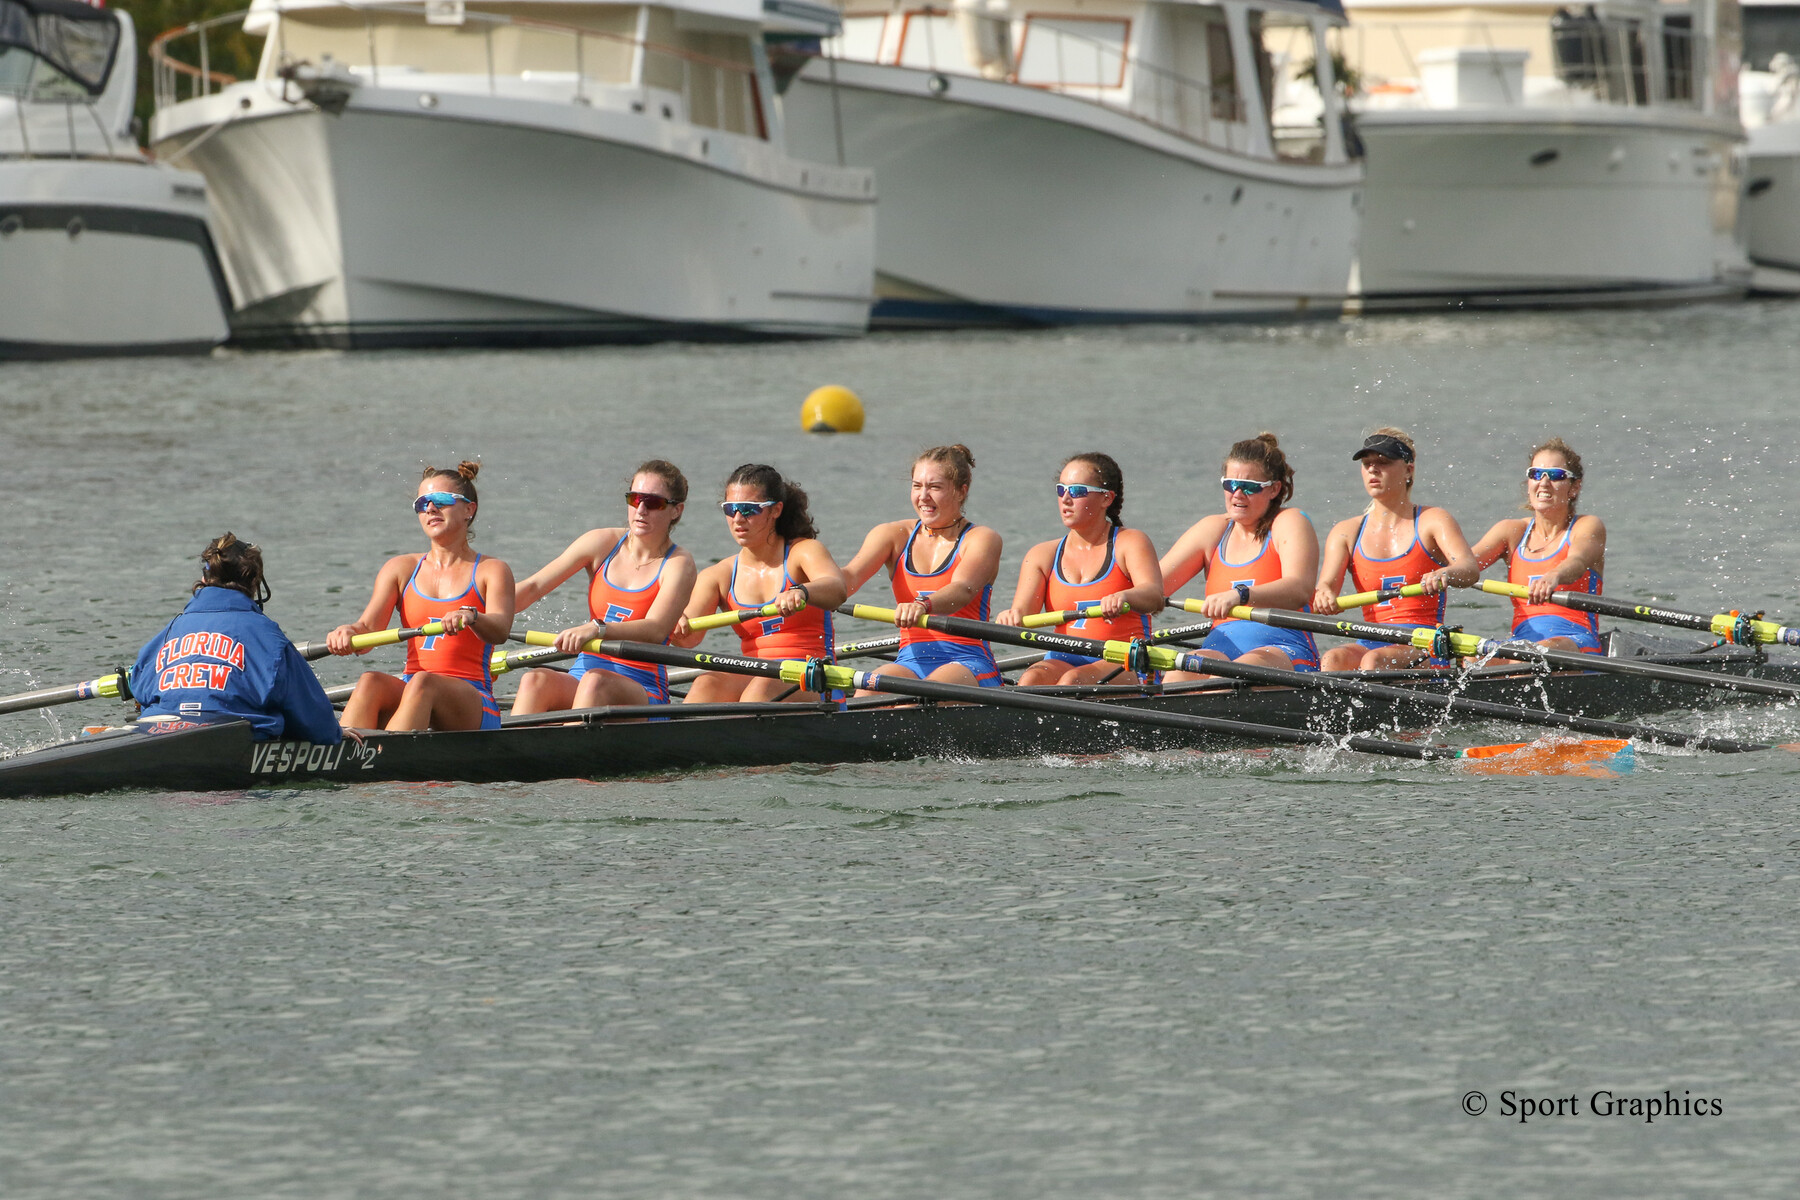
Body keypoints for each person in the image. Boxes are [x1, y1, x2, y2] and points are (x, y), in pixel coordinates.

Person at [327, 461, 516, 730]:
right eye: (422, 503)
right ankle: (343, 761)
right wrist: (347, 632)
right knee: (370, 681)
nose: (430, 508)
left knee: (423, 682)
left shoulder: (492, 570)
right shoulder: (400, 569)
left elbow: (499, 630)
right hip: (414, 687)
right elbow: (367, 632)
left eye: (440, 500)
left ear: (469, 510)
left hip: (473, 698)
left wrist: (472, 616)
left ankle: (388, 765)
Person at [510, 461, 697, 713]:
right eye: (635, 499)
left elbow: (655, 629)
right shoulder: (602, 543)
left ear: (676, 510)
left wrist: (596, 628)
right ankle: (510, 750)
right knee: (535, 680)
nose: (641, 510)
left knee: (595, 682)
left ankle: (561, 746)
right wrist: (478, 610)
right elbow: (532, 587)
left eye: (653, 503)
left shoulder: (678, 564)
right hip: (584, 675)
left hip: (642, 688)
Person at [130, 533, 341, 743]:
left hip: (156, 733)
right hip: (233, 741)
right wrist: (336, 734)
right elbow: (320, 727)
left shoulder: (169, 632)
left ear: (204, 580)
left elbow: (140, 688)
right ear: (255, 582)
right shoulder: (268, 637)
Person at [671, 464, 847, 703]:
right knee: (706, 683)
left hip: (814, 677)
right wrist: (675, 624)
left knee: (759, 690)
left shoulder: (802, 552)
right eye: (730, 509)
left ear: (775, 510)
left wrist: (802, 591)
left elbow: (837, 589)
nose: (737, 519)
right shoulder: (718, 575)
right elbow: (689, 638)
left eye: (748, 509)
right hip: (755, 673)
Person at [1313, 428, 1479, 671]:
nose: (1373, 469)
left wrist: (1446, 573)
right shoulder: (1345, 531)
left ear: (1408, 470)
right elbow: (1327, 585)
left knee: (1374, 661)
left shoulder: (1432, 520)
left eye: (1383, 462)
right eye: (1367, 463)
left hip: (1424, 642)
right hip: (1370, 638)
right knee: (1333, 659)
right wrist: (1324, 594)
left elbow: (1469, 569)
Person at [842, 444, 1004, 690]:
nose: (923, 496)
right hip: (910, 661)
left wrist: (922, 605)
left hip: (968, 661)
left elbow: (962, 590)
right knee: (868, 690)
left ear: (961, 491)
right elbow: (849, 577)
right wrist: (804, 589)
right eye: (917, 486)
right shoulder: (892, 535)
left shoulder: (981, 538)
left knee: (926, 693)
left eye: (935, 487)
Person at [1159, 432, 1320, 679]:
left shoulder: (1289, 522)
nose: (1237, 494)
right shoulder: (1212, 529)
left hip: (1283, 651)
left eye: (1249, 487)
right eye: (1230, 485)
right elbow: (1154, 586)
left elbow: (1299, 589)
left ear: (1274, 489)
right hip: (1218, 651)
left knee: (1230, 675)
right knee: (1174, 677)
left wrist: (1240, 595)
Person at [995, 452, 1164, 686]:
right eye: (1061, 489)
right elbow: (1025, 617)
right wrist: (1012, 616)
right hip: (1062, 658)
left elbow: (1154, 596)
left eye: (1077, 491)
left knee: (1073, 681)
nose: (1065, 499)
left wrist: (1124, 596)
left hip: (1124, 660)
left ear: (1106, 498)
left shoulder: (1130, 542)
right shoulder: (1041, 555)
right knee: (1030, 680)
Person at [1470, 437, 1608, 654]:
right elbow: (1465, 566)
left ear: (1574, 487)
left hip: (1575, 643)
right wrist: (1440, 574)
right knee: (1469, 660)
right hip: (1522, 646)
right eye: (1536, 474)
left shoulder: (1587, 526)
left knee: (1542, 651)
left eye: (1555, 475)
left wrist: (1554, 575)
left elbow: (1577, 561)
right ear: (1529, 484)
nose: (1543, 483)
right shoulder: (1511, 532)